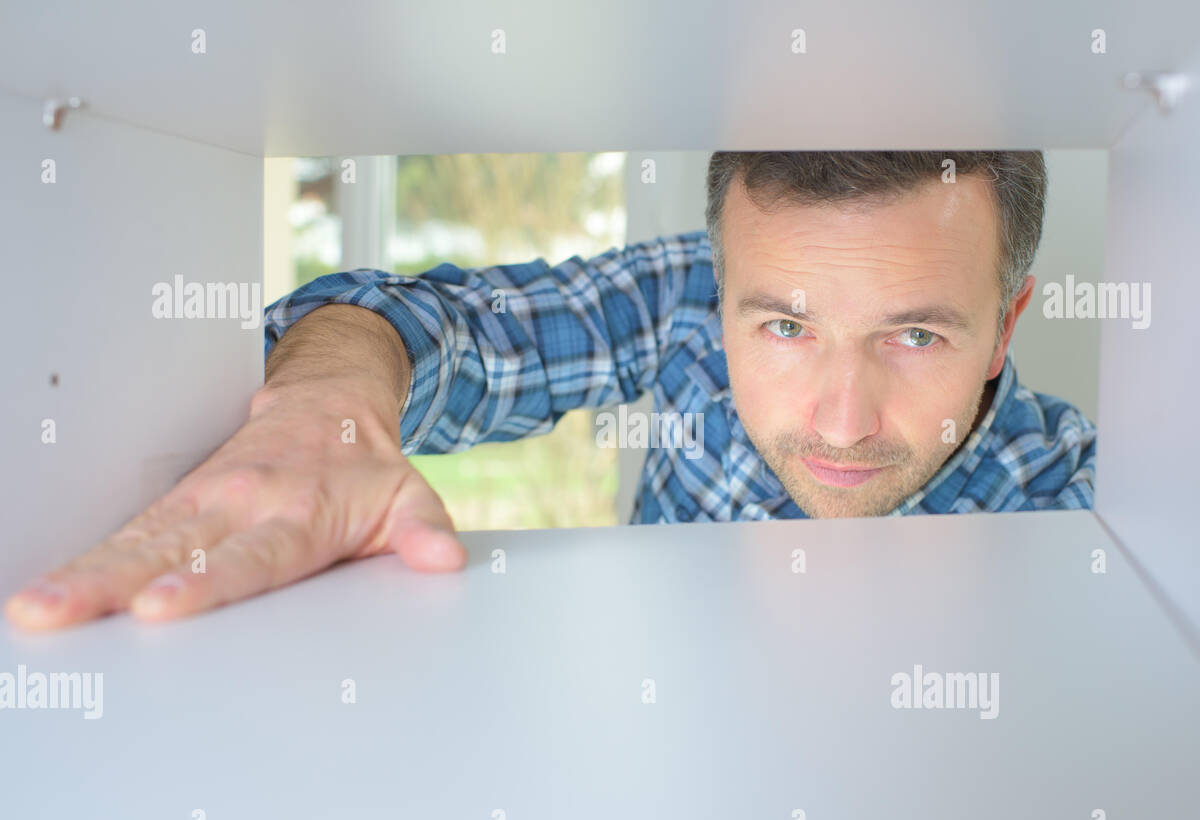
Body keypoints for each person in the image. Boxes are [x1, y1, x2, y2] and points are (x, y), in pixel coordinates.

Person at [4, 150, 1095, 632]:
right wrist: (320, 410)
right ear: (724, 296)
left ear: (1003, 325)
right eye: (785, 327)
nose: (842, 420)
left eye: (911, 334)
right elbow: (440, 322)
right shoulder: (681, 299)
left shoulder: (1092, 505)